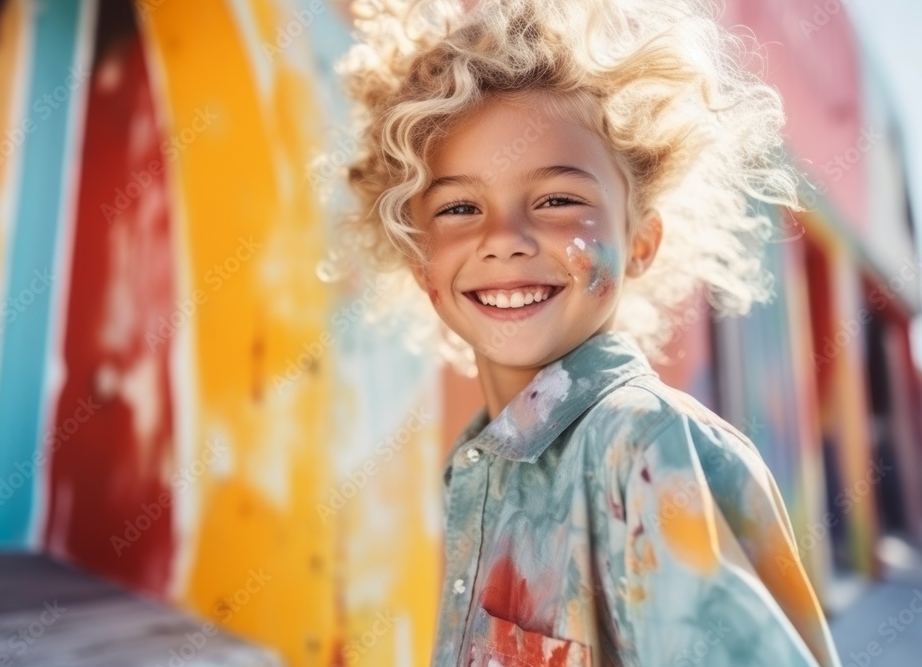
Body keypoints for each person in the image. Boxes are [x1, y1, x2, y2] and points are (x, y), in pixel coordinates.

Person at [322, 0, 842, 664]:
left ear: (642, 241)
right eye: (458, 207)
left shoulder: (645, 448)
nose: (503, 239)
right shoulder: (482, 460)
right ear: (422, 263)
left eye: (557, 200)